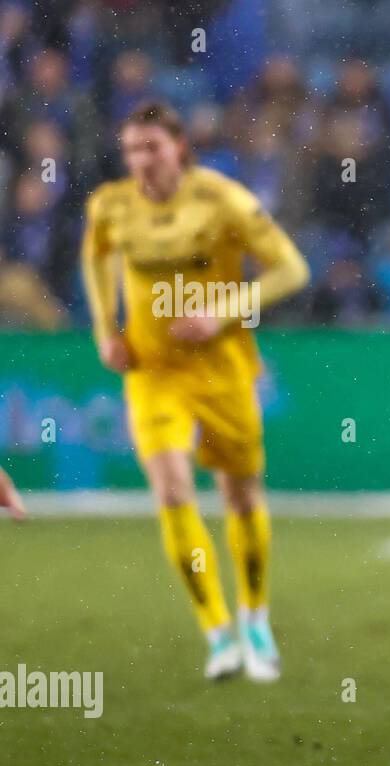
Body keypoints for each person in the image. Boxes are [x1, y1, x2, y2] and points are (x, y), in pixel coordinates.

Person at [80, 101, 310, 681]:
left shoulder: (223, 199)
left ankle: (254, 617)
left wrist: (224, 313)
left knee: (241, 495)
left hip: (222, 366)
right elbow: (95, 258)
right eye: (131, 150)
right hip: (153, 372)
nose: (141, 161)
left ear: (179, 147)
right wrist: (107, 329)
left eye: (152, 148)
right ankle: (216, 632)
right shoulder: (111, 205)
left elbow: (291, 270)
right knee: (172, 487)